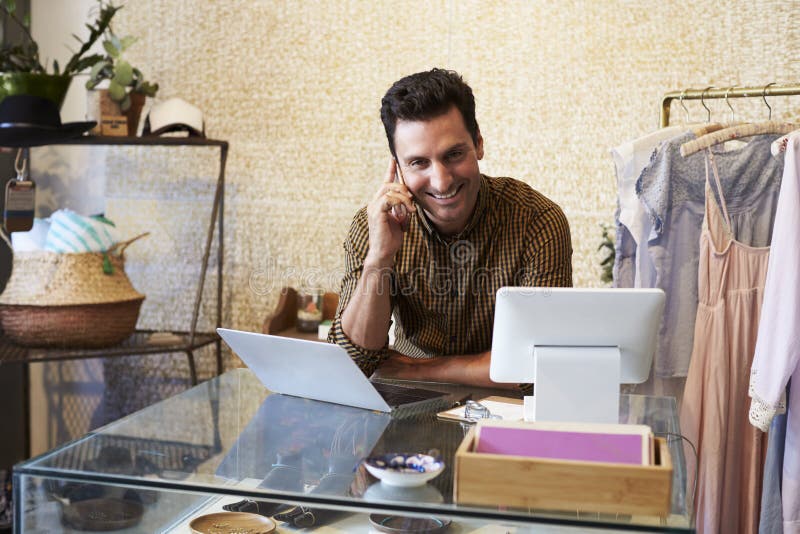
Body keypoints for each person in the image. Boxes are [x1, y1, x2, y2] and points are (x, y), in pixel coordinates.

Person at [328, 68, 572, 388]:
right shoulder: (372, 226)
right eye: (419, 163)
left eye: (454, 155)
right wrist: (380, 258)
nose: (442, 181)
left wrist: (417, 369)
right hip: (406, 412)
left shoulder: (538, 221)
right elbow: (351, 364)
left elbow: (542, 367)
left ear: (479, 144)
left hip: (504, 416)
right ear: (397, 166)